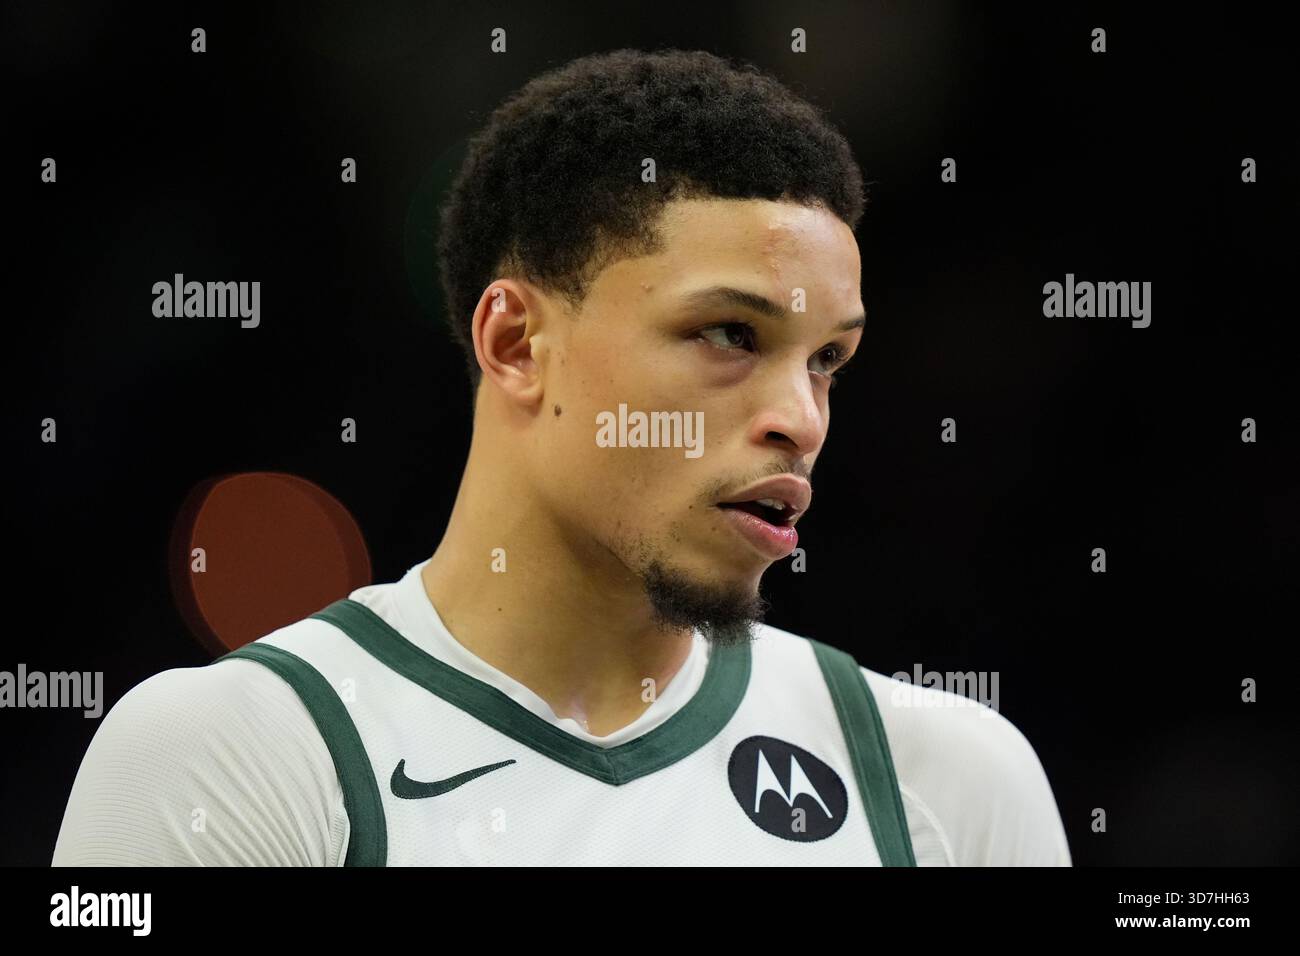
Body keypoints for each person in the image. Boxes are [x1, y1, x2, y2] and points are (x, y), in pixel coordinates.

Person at [53, 48, 1070, 866]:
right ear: (514, 343)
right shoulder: (235, 755)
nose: (799, 418)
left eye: (829, 361)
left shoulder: (944, 781)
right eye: (728, 334)